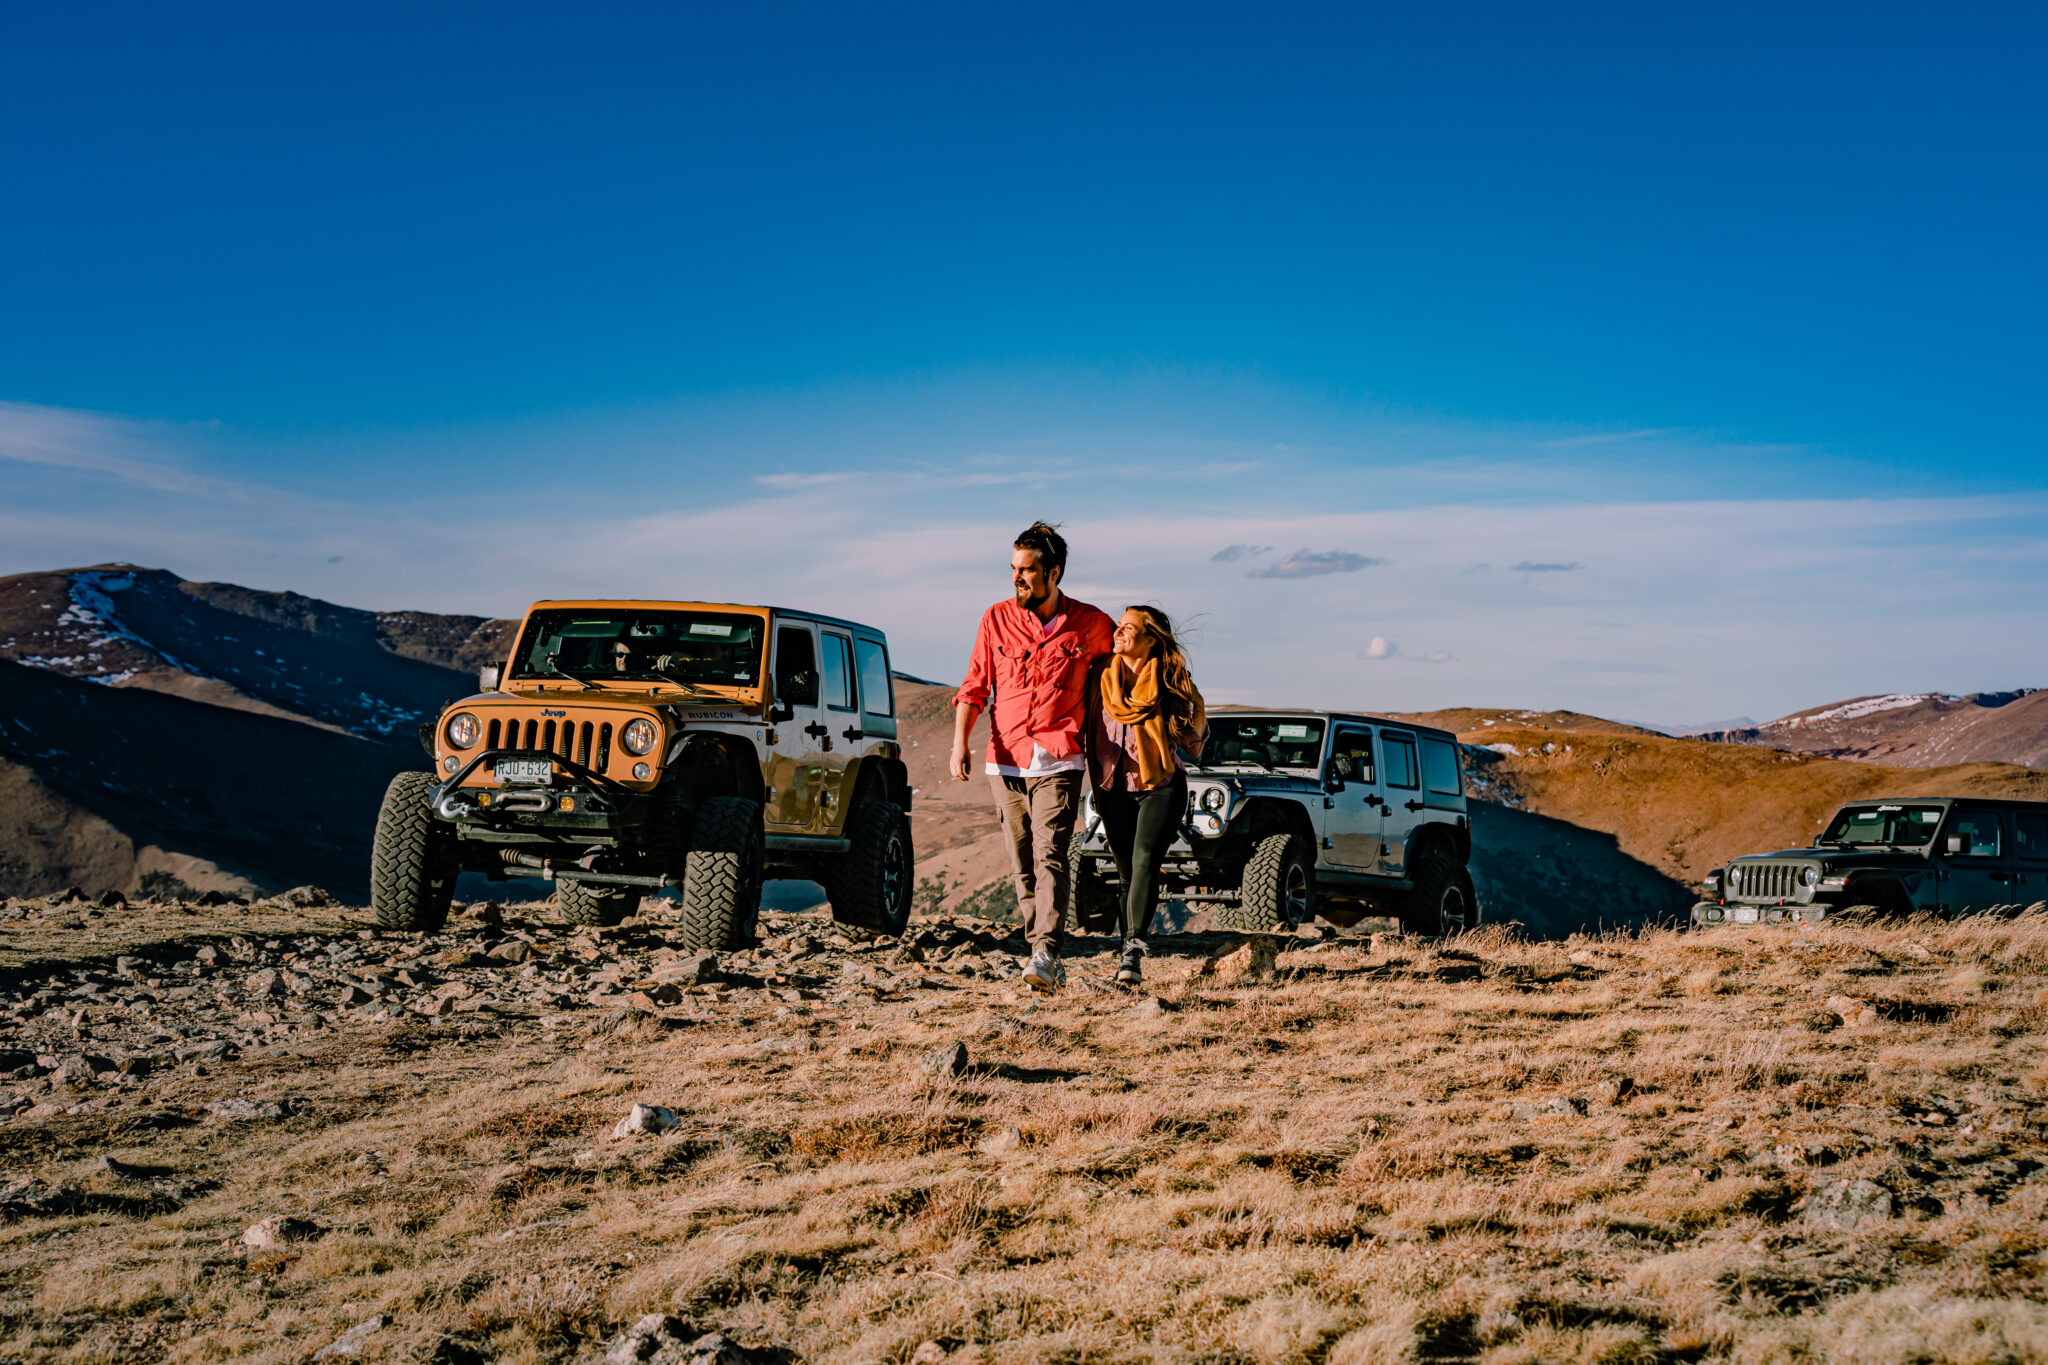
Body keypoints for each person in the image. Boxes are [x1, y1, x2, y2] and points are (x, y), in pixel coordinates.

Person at [952, 522, 1115, 992]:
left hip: (1060, 757)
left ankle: (1046, 951)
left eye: (1026, 570)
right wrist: (960, 742)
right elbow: (975, 685)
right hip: (1004, 757)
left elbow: (1118, 683)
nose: (1017, 578)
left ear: (1054, 572)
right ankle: (1039, 950)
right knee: (1022, 862)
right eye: (1013, 569)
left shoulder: (1092, 624)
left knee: (1051, 856)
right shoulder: (995, 619)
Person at [1087, 605, 1207, 985]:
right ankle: (1127, 948)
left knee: (1144, 862)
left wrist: (1196, 705)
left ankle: (1133, 951)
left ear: (1151, 639)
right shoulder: (1100, 677)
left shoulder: (1169, 679)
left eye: (1128, 627)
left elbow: (1193, 745)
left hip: (1161, 786)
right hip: (1114, 788)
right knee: (1126, 874)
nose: (1118, 632)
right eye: (1119, 626)